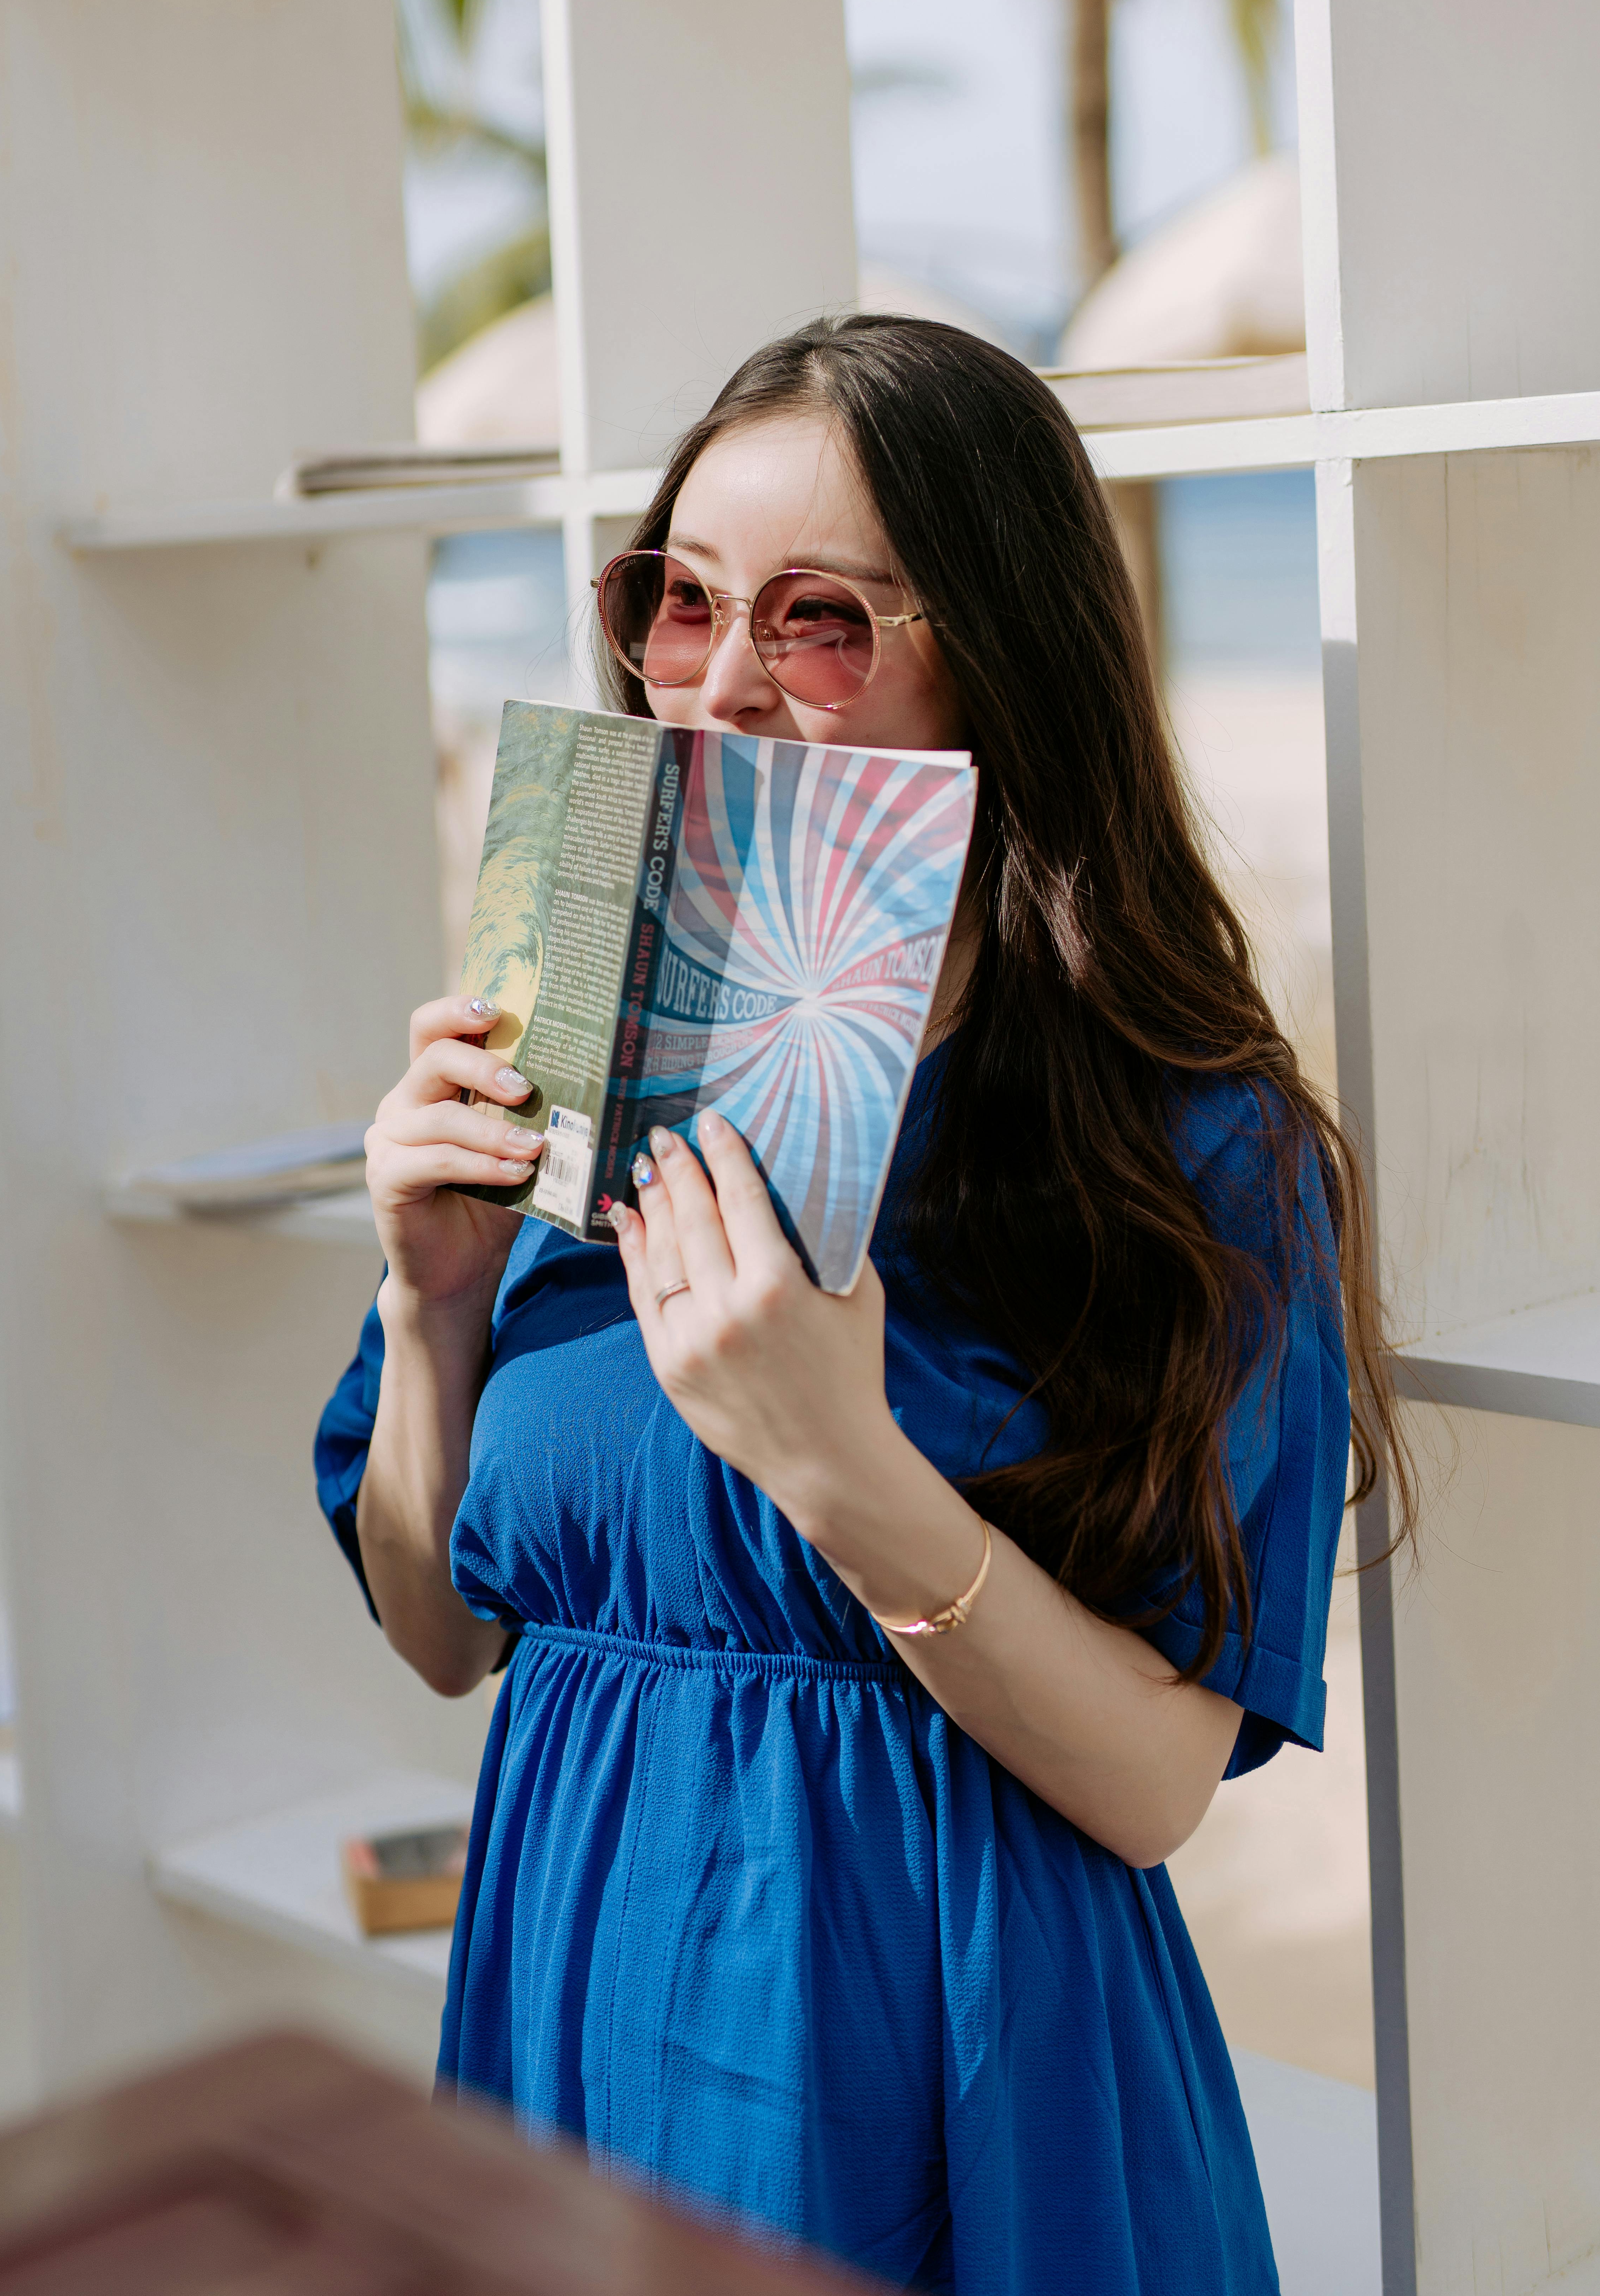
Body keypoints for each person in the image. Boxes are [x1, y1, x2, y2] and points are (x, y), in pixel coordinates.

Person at [315, 317, 1412, 2295]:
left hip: (959, 2064)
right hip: (573, 2001)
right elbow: (440, 1633)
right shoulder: (578, 1041)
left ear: (993, 654)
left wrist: (833, 1456)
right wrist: (429, 1307)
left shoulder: (1190, 1143)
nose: (723, 685)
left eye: (820, 623)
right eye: (681, 602)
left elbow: (1157, 1788)